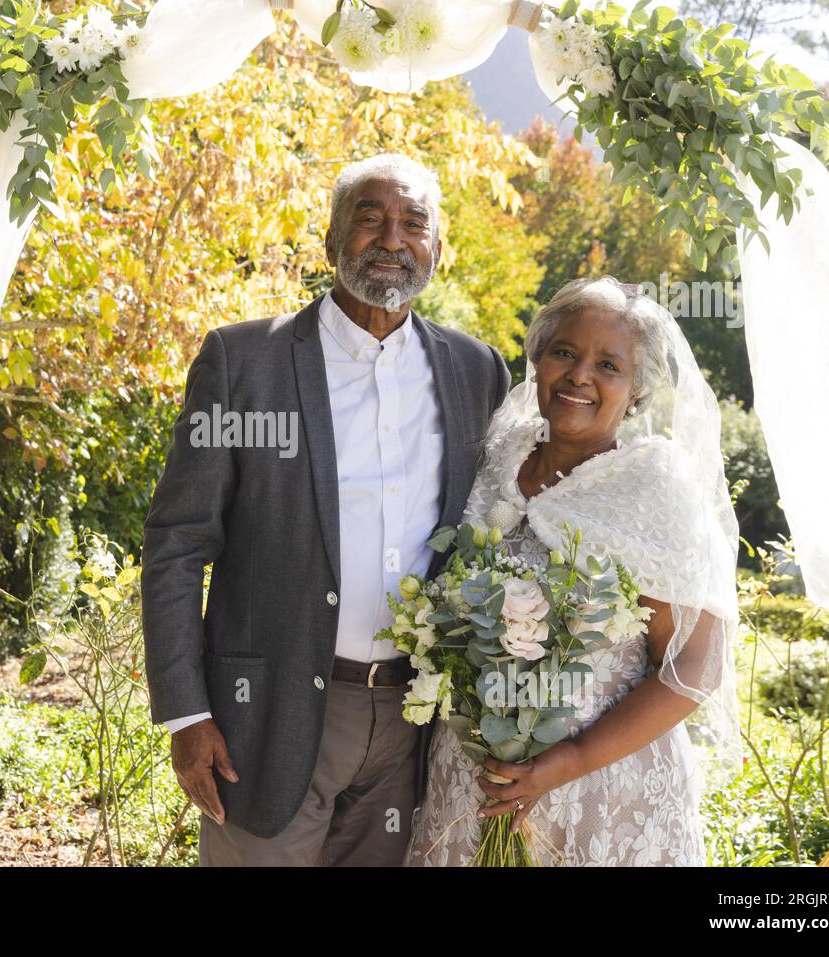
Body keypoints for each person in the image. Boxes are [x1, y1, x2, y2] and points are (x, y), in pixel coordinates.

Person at [140, 153, 510, 865]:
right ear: (331, 239)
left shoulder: (477, 370)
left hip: (413, 723)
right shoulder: (243, 362)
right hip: (267, 715)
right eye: (369, 217)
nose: (391, 239)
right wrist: (188, 712)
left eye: (413, 223)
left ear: (440, 245)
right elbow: (177, 545)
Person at [408, 276, 741, 866]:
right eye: (565, 352)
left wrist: (571, 760)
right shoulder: (490, 456)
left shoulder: (655, 488)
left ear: (636, 390)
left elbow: (694, 665)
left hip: (605, 793)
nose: (580, 375)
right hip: (476, 779)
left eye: (609, 364)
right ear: (536, 360)